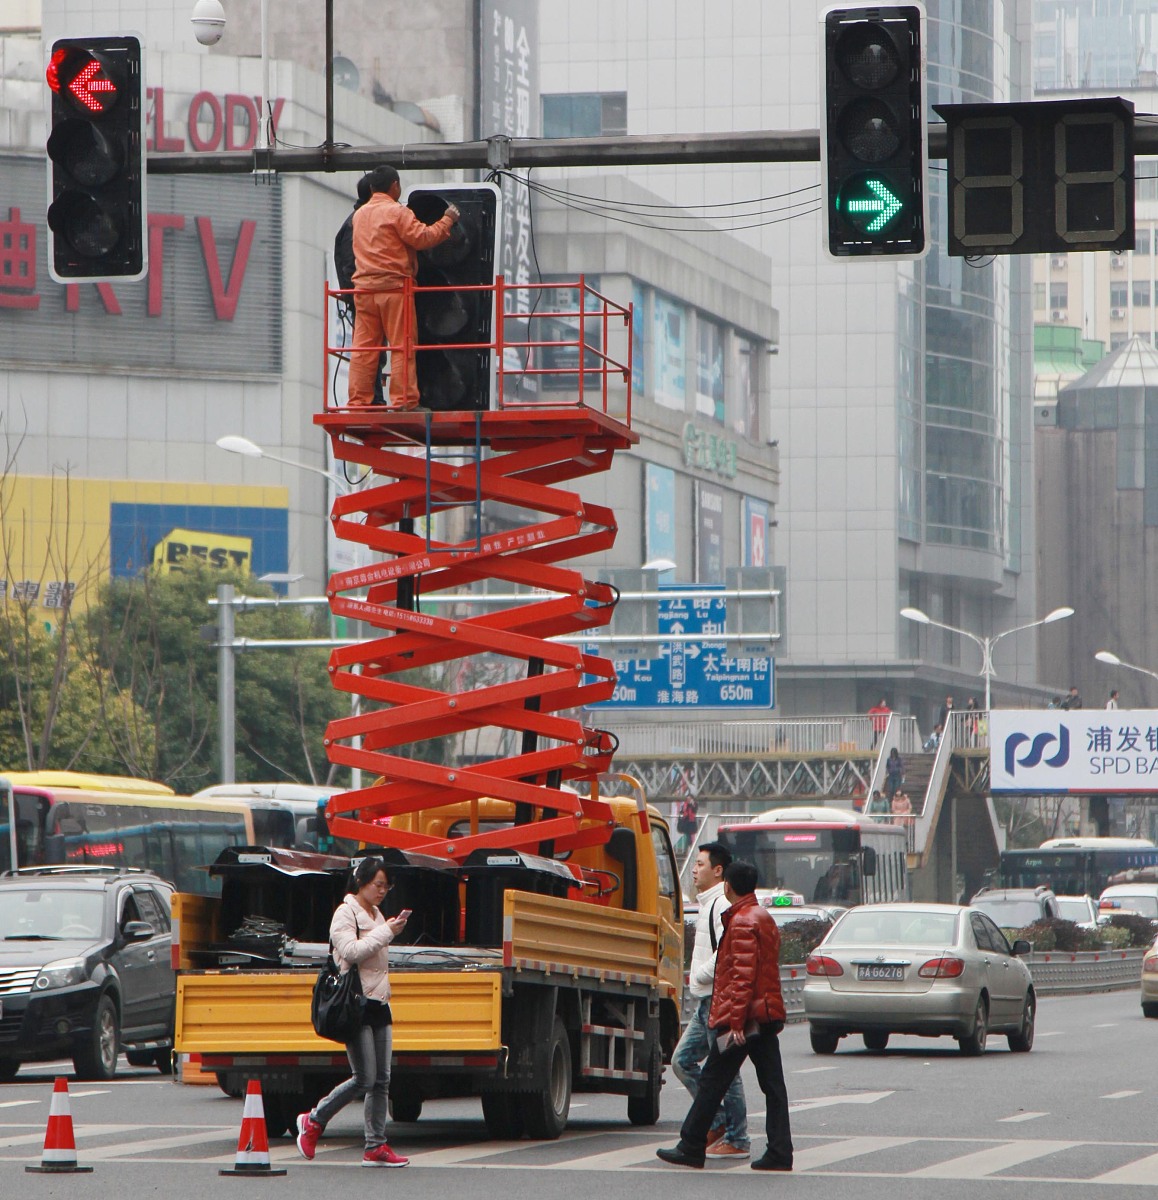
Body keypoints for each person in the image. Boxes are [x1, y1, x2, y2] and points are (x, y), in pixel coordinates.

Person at [657, 860, 793, 1172]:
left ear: (728, 885)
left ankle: (690, 1145)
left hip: (743, 1021)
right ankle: (779, 1151)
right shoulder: (762, 917)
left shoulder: (743, 921)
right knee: (772, 1085)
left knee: (712, 1080)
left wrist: (734, 1024)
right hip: (763, 1016)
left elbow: (742, 978)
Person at [297, 857, 411, 1167]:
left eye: (387, 886)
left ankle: (376, 1146)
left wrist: (387, 928)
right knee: (364, 1078)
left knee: (382, 1081)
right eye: (378, 885)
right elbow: (351, 952)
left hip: (379, 1003)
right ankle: (314, 1120)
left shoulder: (376, 914)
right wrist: (387, 932)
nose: (383, 891)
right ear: (361, 882)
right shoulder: (345, 914)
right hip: (355, 1005)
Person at [348, 165, 460, 410]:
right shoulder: (397, 212)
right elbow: (423, 238)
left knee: (364, 349)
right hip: (394, 289)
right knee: (402, 345)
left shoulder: (360, 215)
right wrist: (447, 220)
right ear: (395, 185)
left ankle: (357, 401)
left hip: (364, 290)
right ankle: (405, 401)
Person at [671, 844, 750, 1159]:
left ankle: (737, 1137)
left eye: (700, 864)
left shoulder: (719, 904)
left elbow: (726, 952)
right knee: (681, 1061)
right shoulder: (708, 903)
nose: (694, 869)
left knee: (726, 1072)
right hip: (705, 1001)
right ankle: (716, 1121)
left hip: (715, 1000)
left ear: (718, 870)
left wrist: (699, 976)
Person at [334, 171, 384, 404]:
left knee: (373, 350)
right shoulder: (358, 222)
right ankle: (369, 399)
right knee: (369, 351)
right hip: (364, 296)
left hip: (364, 294)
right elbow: (348, 264)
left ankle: (374, 398)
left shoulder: (360, 220)